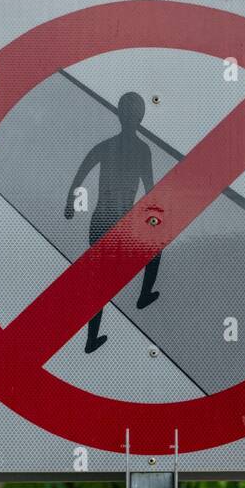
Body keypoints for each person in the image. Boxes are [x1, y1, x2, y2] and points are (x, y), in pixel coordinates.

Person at [64, 92, 161, 353]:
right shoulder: (141, 150)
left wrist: (70, 203)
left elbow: (81, 173)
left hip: (103, 221)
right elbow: (150, 190)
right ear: (138, 119)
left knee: (100, 283)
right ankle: (142, 295)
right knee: (104, 280)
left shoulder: (109, 146)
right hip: (118, 222)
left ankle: (91, 338)